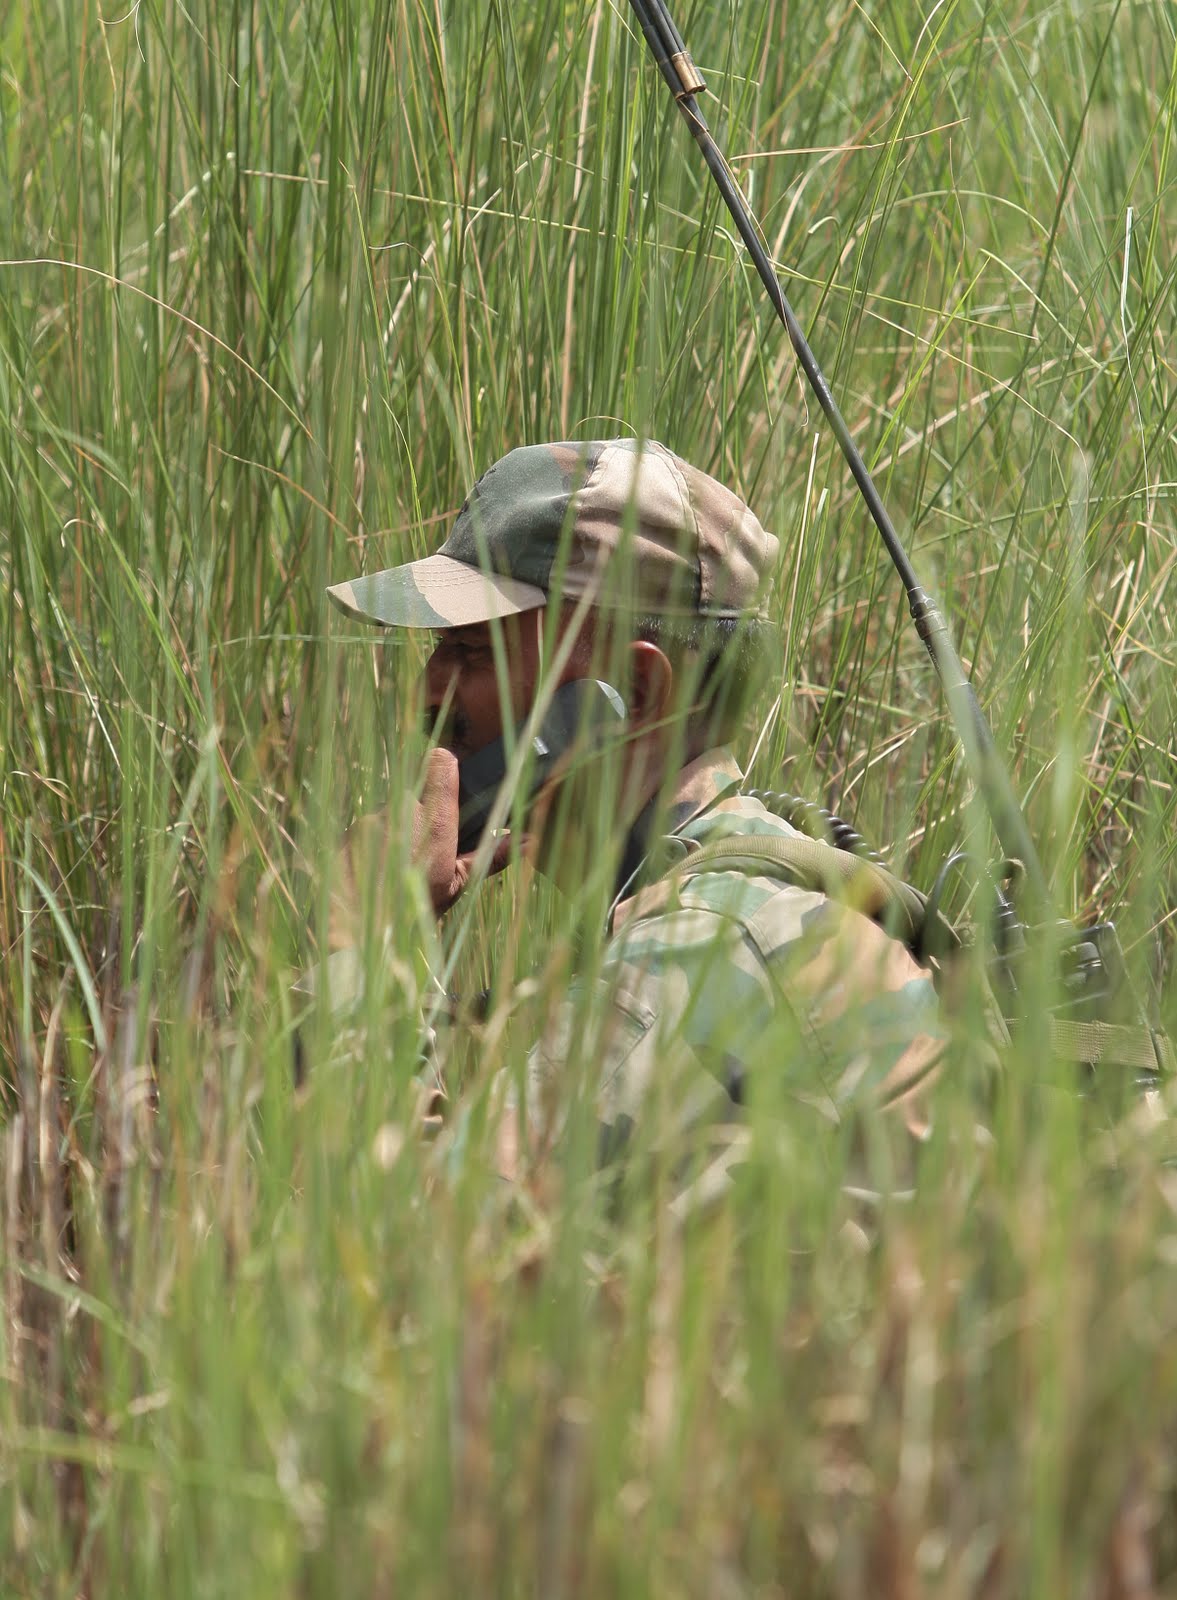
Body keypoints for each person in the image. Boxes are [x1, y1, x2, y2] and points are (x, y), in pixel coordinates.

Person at [325, 438, 946, 1186]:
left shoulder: (699, 947)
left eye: (473, 653)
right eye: (437, 651)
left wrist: (364, 953)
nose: (429, 693)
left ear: (633, 696)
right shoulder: (723, 898)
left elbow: (417, 1261)